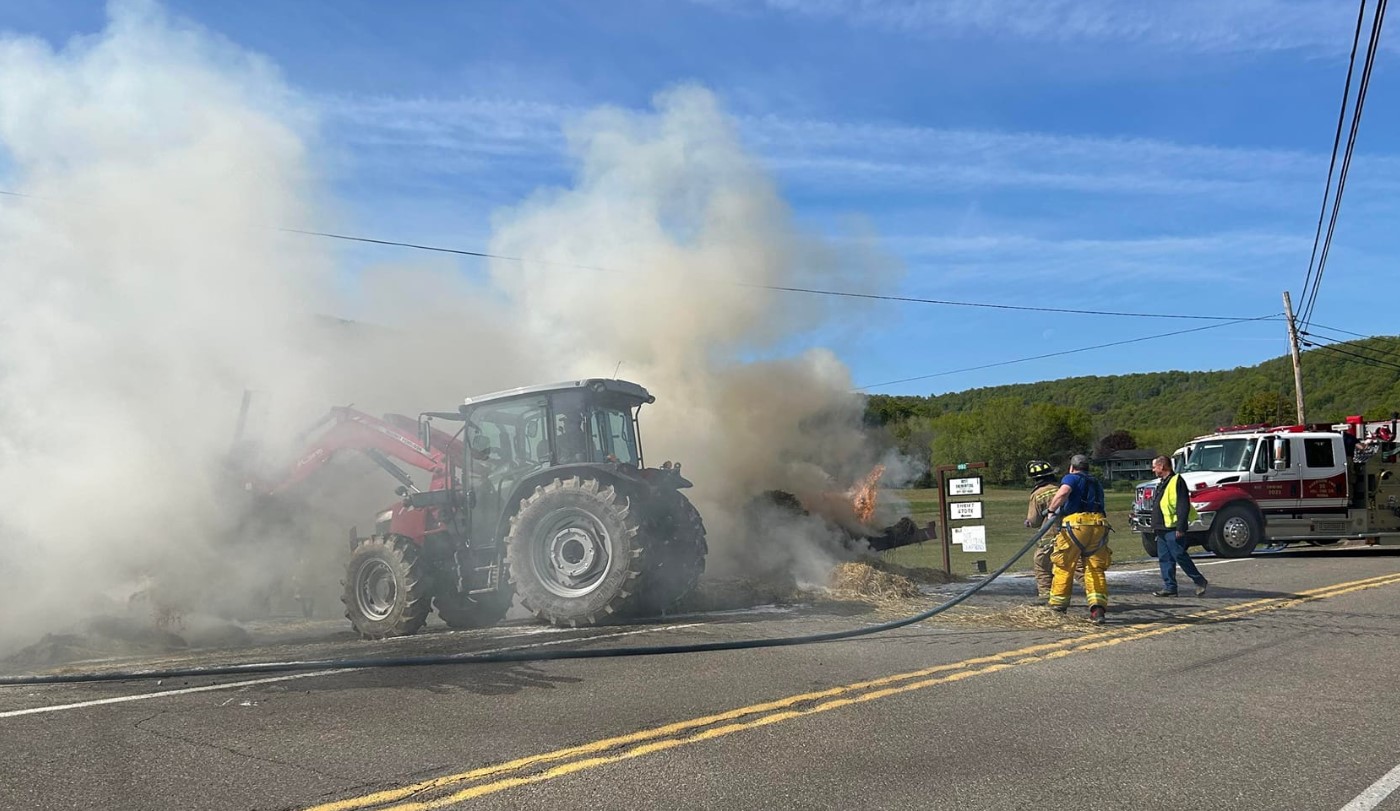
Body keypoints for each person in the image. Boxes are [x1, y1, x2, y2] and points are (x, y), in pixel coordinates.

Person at [1044, 454, 1112, 624]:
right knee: (1095, 568)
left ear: (1072, 468)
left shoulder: (1071, 477)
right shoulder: (1096, 482)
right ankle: (1098, 610)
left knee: (1064, 565)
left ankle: (1058, 607)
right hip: (1099, 526)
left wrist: (1052, 510)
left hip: (1076, 526)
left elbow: (1063, 493)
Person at [1150, 455, 1208, 598]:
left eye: (1154, 466)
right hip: (1162, 527)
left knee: (1179, 555)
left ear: (1162, 466)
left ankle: (1199, 580)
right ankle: (1170, 587)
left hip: (1173, 527)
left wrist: (1181, 528)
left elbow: (1183, 505)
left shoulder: (1176, 481)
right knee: (1164, 558)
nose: (1153, 470)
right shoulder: (1162, 482)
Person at [1024, 460, 1060, 599]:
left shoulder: (1037, 494)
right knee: (1077, 566)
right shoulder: (1062, 488)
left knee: (1042, 564)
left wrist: (1028, 523)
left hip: (1050, 535)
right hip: (1073, 531)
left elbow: (1034, 521)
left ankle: (1046, 597)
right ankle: (1095, 599)